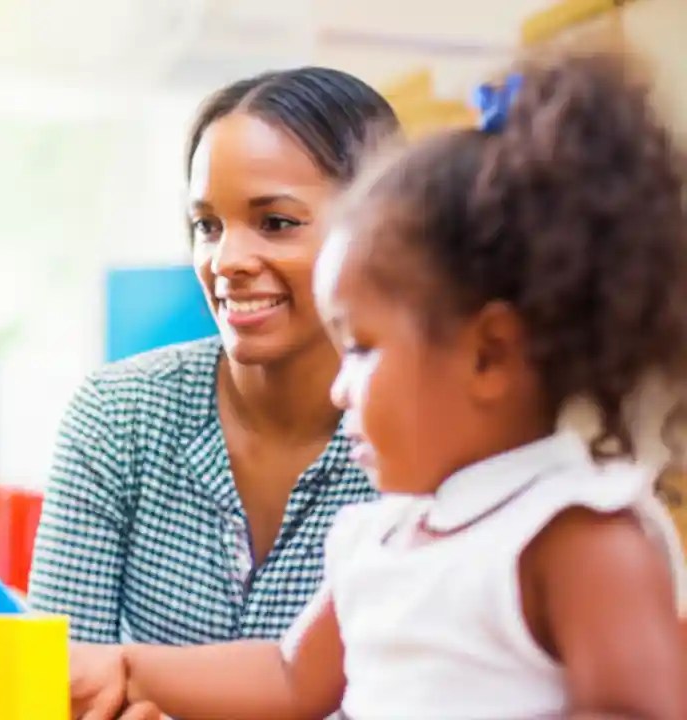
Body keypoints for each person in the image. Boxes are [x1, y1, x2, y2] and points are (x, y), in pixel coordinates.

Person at [71, 48, 687, 719]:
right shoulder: (386, 535)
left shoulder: (577, 537)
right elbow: (288, 677)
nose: (342, 387)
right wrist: (127, 665)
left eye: (361, 349)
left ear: (489, 354)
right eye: (207, 226)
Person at [29, 68, 399, 647]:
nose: (226, 259)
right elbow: (59, 685)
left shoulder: (421, 437)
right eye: (207, 225)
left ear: (379, 228)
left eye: (275, 223)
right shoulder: (119, 416)